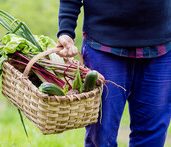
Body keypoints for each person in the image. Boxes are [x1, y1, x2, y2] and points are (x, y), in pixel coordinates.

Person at [56, 0, 171, 147]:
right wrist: (66, 30)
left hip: (162, 46)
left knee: (152, 138)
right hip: (104, 45)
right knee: (101, 137)